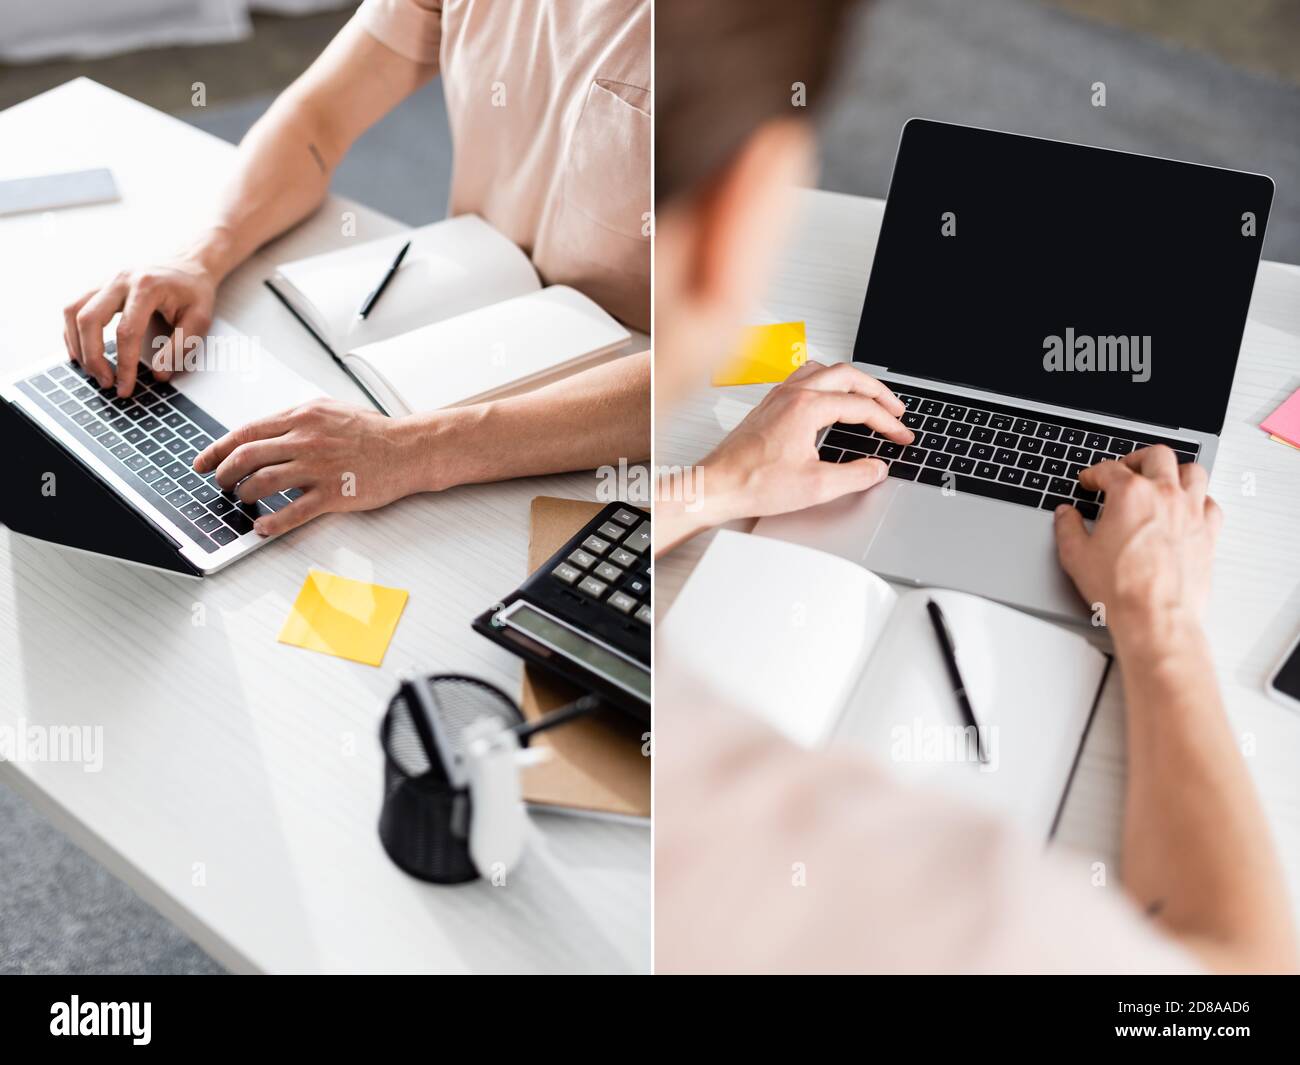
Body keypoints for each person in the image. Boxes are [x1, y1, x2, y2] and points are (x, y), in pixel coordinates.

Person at [653, 0, 1297, 973]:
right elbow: (1232, 978)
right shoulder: (973, 913)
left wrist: (704, 489)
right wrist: (1155, 616)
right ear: (739, 210)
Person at [62, 0, 649, 537]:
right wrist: (199, 257)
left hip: (628, 413)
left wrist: (410, 451)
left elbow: (725, 368)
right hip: (476, 311)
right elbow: (320, 117)